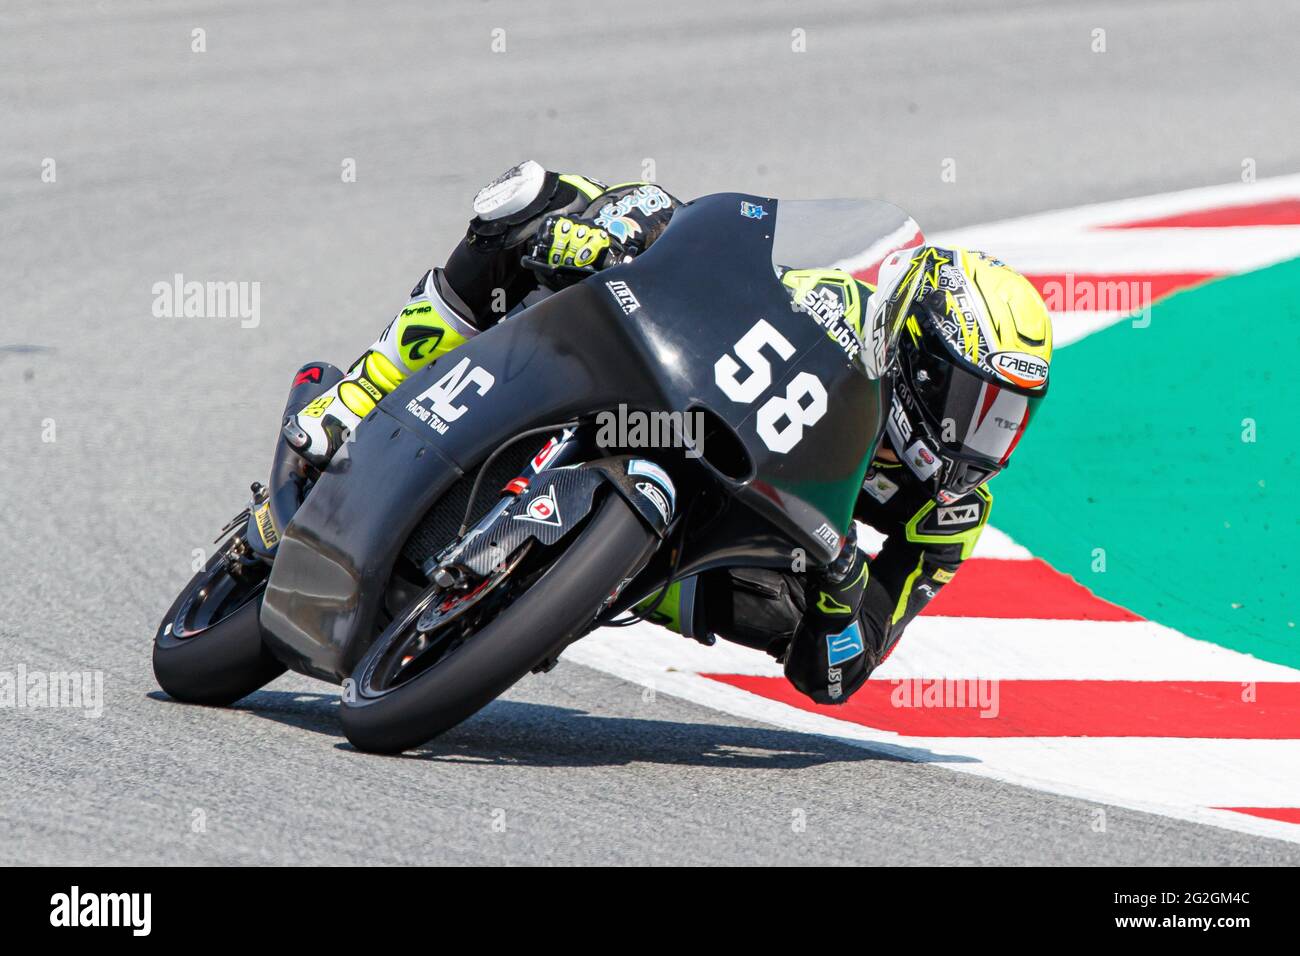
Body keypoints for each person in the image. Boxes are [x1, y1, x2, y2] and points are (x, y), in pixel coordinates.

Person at [283, 160, 1054, 705]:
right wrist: (627, 228)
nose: (980, 436)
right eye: (972, 400)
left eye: (1008, 415)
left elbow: (836, 678)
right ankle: (363, 393)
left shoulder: (948, 510)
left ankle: (566, 587)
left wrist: (839, 591)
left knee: (785, 611)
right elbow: (716, 246)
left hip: (737, 529)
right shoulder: (837, 305)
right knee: (532, 202)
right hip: (675, 392)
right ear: (916, 356)